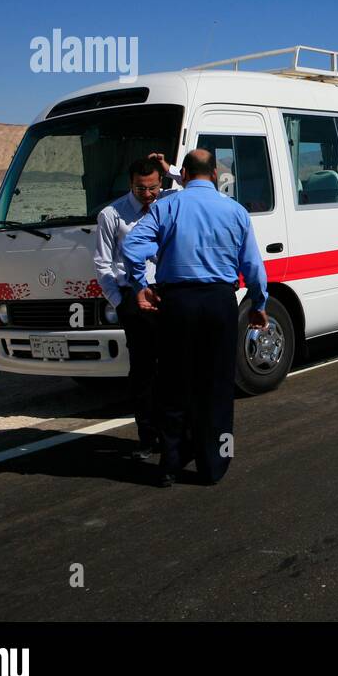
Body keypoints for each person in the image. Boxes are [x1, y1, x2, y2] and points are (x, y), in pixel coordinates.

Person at [121, 149, 269, 488]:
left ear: (183, 175)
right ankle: (212, 465)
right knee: (215, 385)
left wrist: (141, 286)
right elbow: (253, 267)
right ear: (215, 175)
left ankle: (169, 464)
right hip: (219, 303)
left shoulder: (166, 206)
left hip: (177, 303)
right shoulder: (235, 211)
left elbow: (132, 248)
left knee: (174, 383)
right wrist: (259, 304)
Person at [92, 154, 180, 459]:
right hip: (134, 297)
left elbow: (204, 189)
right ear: (131, 184)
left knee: (172, 368)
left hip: (169, 294)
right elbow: (103, 264)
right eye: (141, 189)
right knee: (143, 372)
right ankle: (147, 436)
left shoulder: (170, 201)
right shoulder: (112, 215)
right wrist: (121, 303)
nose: (148, 194)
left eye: (154, 187)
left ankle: (174, 435)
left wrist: (173, 171)